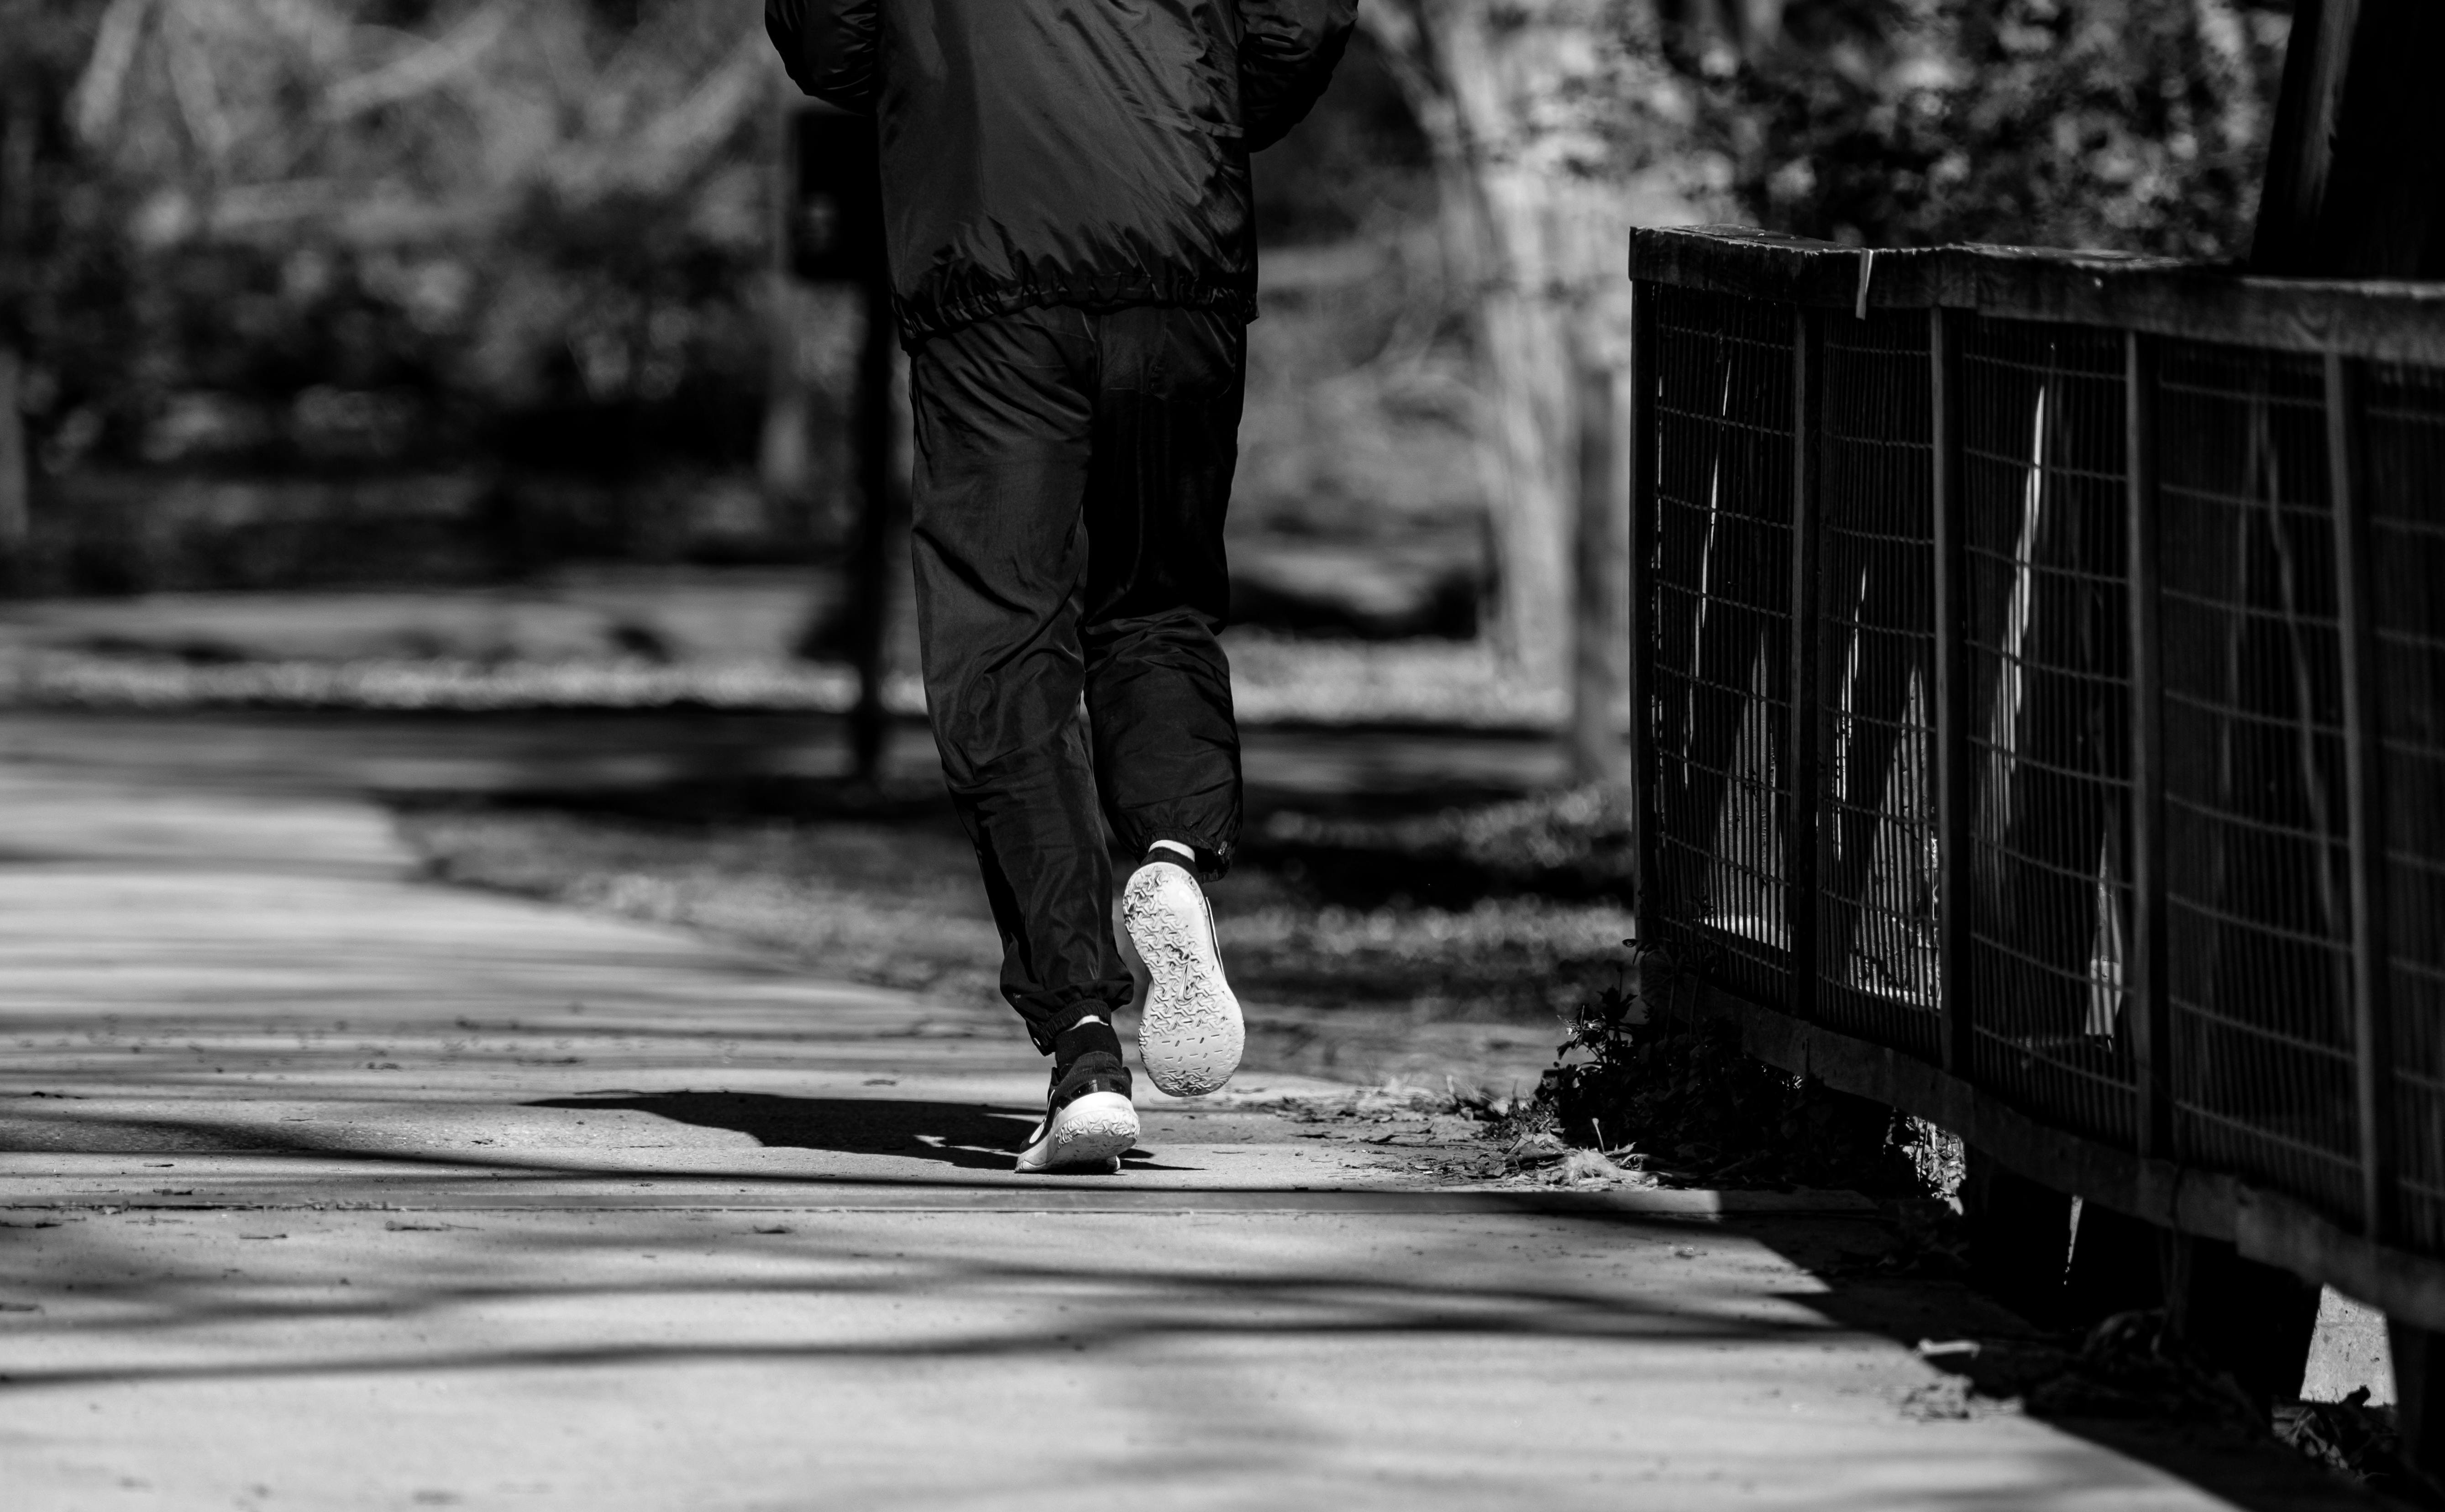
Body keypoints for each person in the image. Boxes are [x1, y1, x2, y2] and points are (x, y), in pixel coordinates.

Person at [765, 0, 1355, 1172]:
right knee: (1156, 600)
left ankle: (1082, 1041)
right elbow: (1303, 20)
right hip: (1179, 244)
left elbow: (827, 41)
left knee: (1001, 634)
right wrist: (1189, 101)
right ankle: (1173, 855)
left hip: (989, 259)